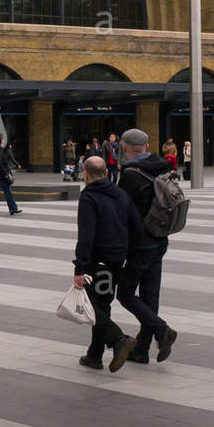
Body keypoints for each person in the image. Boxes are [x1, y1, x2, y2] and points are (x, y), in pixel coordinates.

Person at [115, 129, 178, 365]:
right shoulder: (162, 166)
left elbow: (122, 212)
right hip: (160, 239)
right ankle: (141, 350)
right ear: (147, 145)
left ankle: (162, 331)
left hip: (140, 243)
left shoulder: (130, 175)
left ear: (124, 147)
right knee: (150, 296)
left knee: (125, 293)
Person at [73, 156, 141, 373]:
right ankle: (94, 355)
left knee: (92, 307)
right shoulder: (121, 194)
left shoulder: (89, 197)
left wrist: (80, 267)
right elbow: (136, 227)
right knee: (102, 304)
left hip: (97, 262)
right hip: (116, 260)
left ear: (86, 173)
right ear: (105, 172)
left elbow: (86, 236)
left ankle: (118, 339)